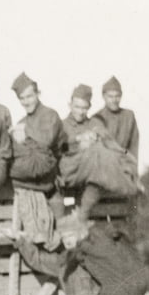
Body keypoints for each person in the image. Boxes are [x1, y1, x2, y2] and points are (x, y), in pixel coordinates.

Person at [58, 84, 138, 219]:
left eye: (84, 108)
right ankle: (83, 214)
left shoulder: (95, 124)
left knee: (101, 156)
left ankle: (83, 214)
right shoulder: (62, 125)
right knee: (98, 154)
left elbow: (111, 144)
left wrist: (99, 138)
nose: (80, 112)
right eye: (77, 107)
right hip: (70, 170)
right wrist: (77, 141)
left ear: (89, 107)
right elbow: (58, 148)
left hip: (93, 171)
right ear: (70, 105)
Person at [9, 72, 66, 221]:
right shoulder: (22, 122)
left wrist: (24, 136)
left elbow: (46, 142)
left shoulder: (50, 115)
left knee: (61, 226)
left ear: (38, 94)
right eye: (22, 98)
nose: (26, 102)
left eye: (29, 96)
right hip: (32, 178)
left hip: (51, 178)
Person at [94, 76, 139, 161]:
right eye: (110, 96)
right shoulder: (97, 118)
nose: (114, 100)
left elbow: (134, 145)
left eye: (117, 96)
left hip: (125, 161)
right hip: (105, 163)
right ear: (104, 96)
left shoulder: (129, 116)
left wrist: (132, 163)